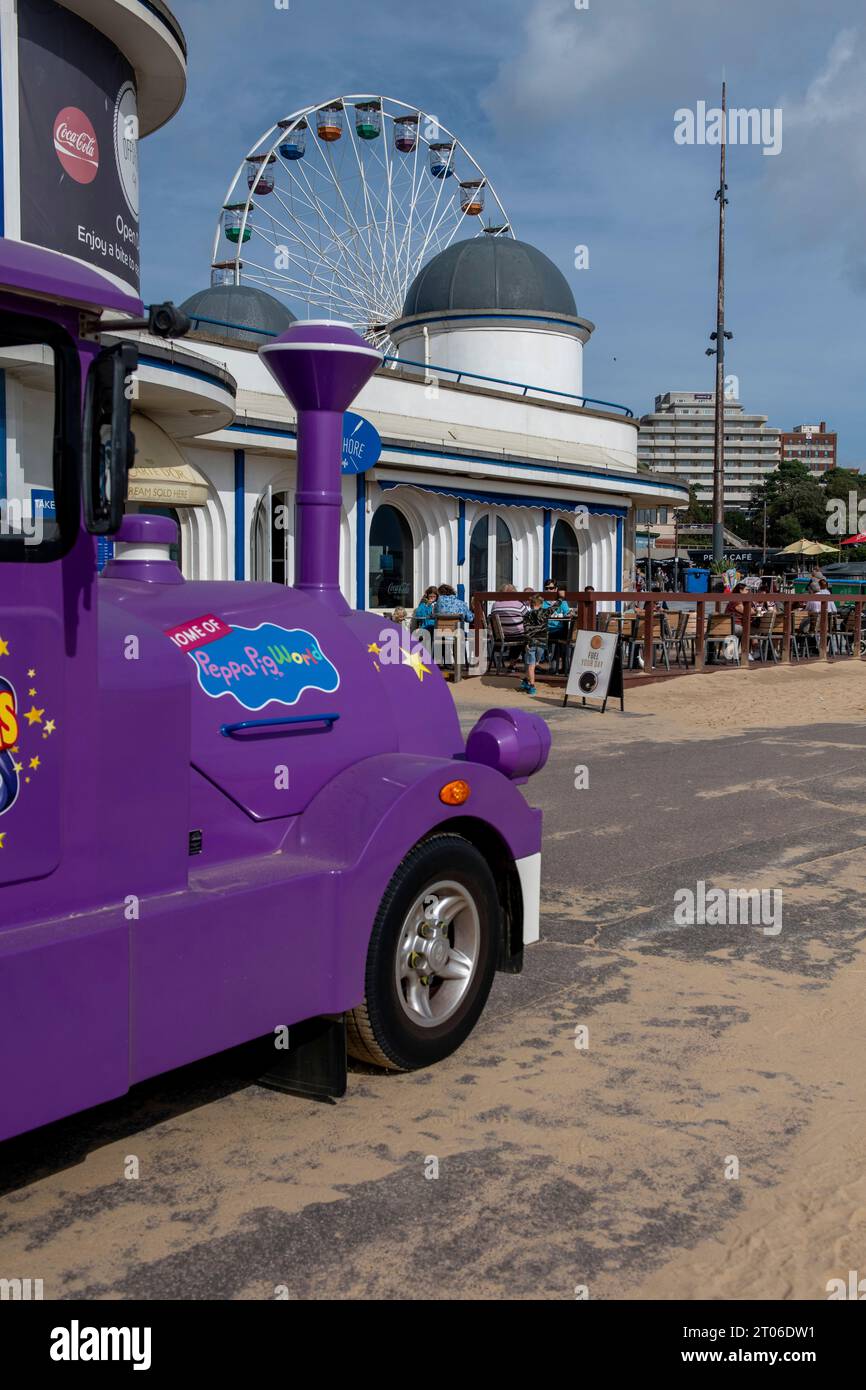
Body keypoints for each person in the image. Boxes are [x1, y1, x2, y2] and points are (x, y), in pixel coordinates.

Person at [520, 595, 549, 697]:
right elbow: (556, 607)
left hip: (531, 642)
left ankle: (531, 685)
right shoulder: (545, 612)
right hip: (542, 642)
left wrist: (526, 643)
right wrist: (560, 599)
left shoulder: (527, 615)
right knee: (535, 662)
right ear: (541, 604)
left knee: (531, 664)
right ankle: (528, 682)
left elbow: (526, 630)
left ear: (531, 604)